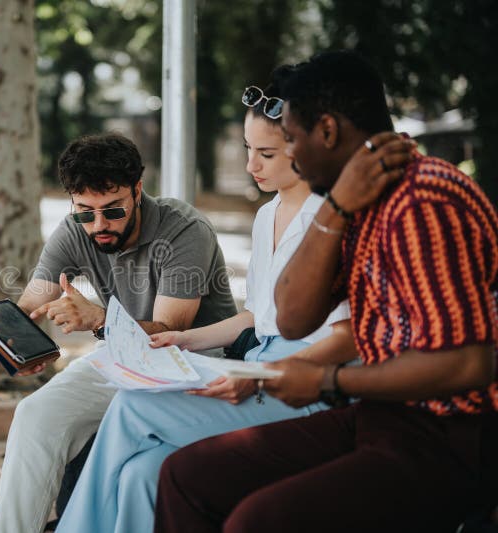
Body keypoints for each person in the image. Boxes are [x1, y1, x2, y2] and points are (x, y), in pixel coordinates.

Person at [154, 50, 497, 533]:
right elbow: (293, 317)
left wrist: (329, 381)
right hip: (379, 417)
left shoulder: (424, 201)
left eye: (291, 139)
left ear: (329, 131)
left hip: (449, 438)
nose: (289, 155)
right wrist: (335, 208)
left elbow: (468, 364)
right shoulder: (354, 200)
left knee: (256, 521)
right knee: (187, 474)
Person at [54, 83, 357, 533]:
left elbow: (349, 336)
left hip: (304, 385)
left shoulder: (334, 219)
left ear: (303, 145)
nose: (250, 165)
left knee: (132, 408)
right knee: (142, 473)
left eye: (267, 154)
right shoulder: (266, 216)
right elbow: (257, 317)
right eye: (247, 148)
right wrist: (182, 338)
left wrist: (262, 376)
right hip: (254, 366)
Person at [0, 132, 238, 533]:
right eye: (85, 211)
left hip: (195, 365)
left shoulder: (184, 230)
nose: (99, 225)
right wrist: (11, 340)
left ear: (137, 190)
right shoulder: (76, 229)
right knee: (34, 414)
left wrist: (100, 319)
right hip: (124, 360)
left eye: (113, 210)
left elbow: (169, 331)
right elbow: (31, 305)